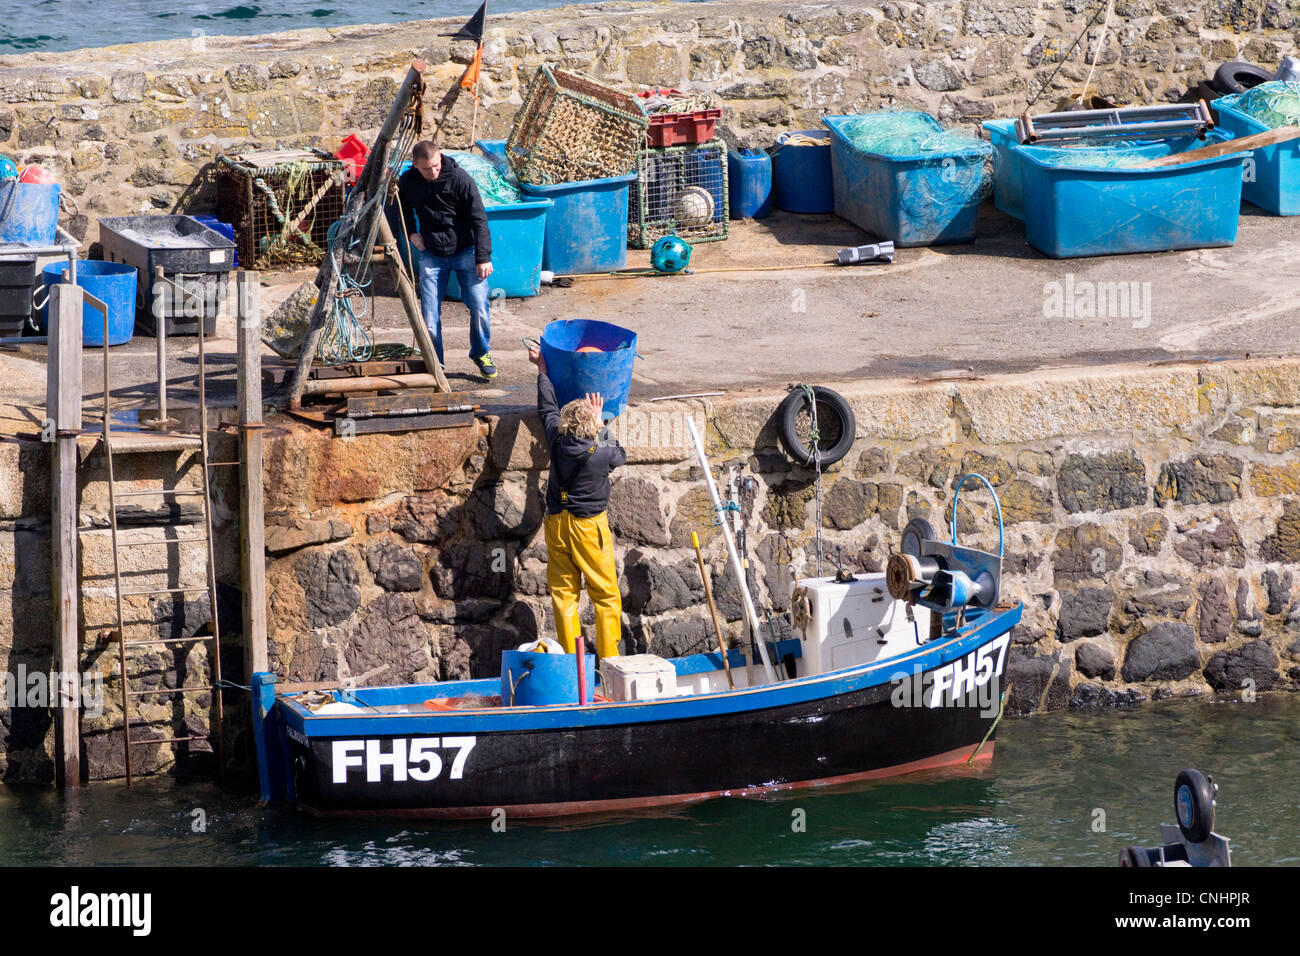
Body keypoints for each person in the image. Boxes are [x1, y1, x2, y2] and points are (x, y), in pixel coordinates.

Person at [529, 345, 626, 659]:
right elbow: (621, 454)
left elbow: (547, 407)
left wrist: (542, 369)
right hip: (588, 528)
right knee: (606, 595)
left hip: (556, 524)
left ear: (565, 424)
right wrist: (602, 424)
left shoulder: (556, 439)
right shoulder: (599, 454)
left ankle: (572, 666)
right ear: (591, 429)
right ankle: (610, 660)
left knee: (564, 596)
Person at [398, 140, 498, 379]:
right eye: (426, 169)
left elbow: (479, 219)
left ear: (440, 157)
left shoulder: (461, 179)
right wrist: (411, 232)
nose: (433, 172)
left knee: (479, 307)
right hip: (431, 255)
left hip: (465, 251)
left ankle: (481, 352)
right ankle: (436, 363)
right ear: (415, 166)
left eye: (435, 165)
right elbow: (398, 207)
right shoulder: (408, 182)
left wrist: (483, 257)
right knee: (430, 318)